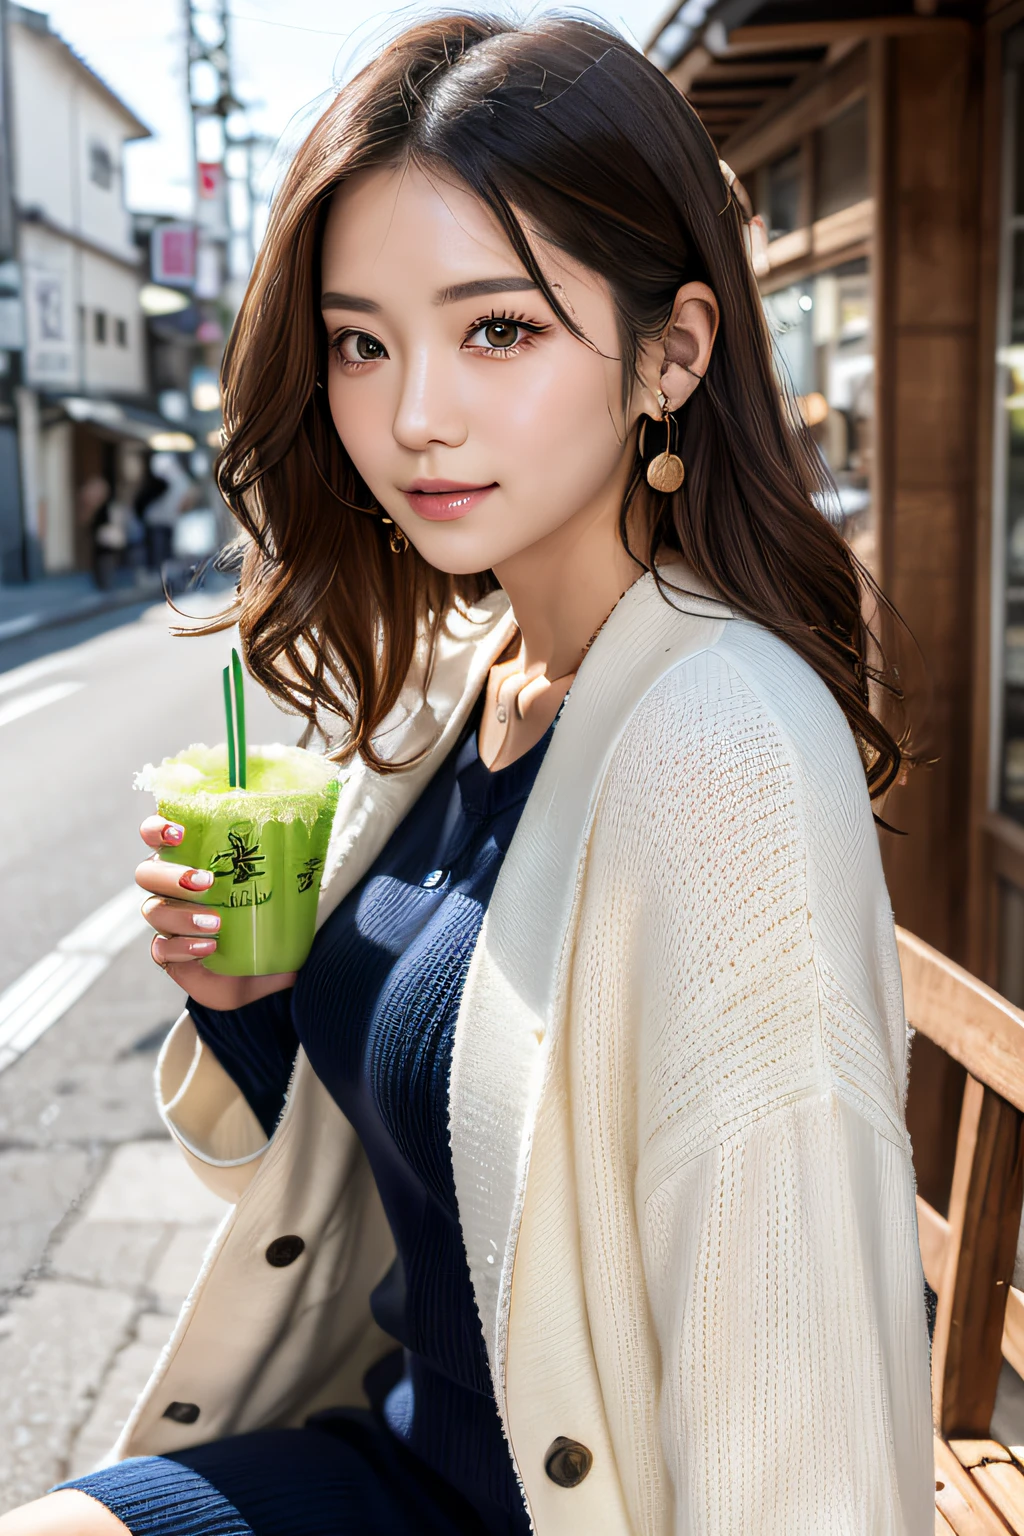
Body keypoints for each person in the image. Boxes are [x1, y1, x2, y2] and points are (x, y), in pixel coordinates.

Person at [0, 16, 934, 1535]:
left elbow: (798, 1419)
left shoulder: (723, 750)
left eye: (496, 328)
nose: (411, 412)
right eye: (363, 342)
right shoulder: (465, 677)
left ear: (672, 352)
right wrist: (250, 1013)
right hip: (395, 1453)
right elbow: (430, 1173)